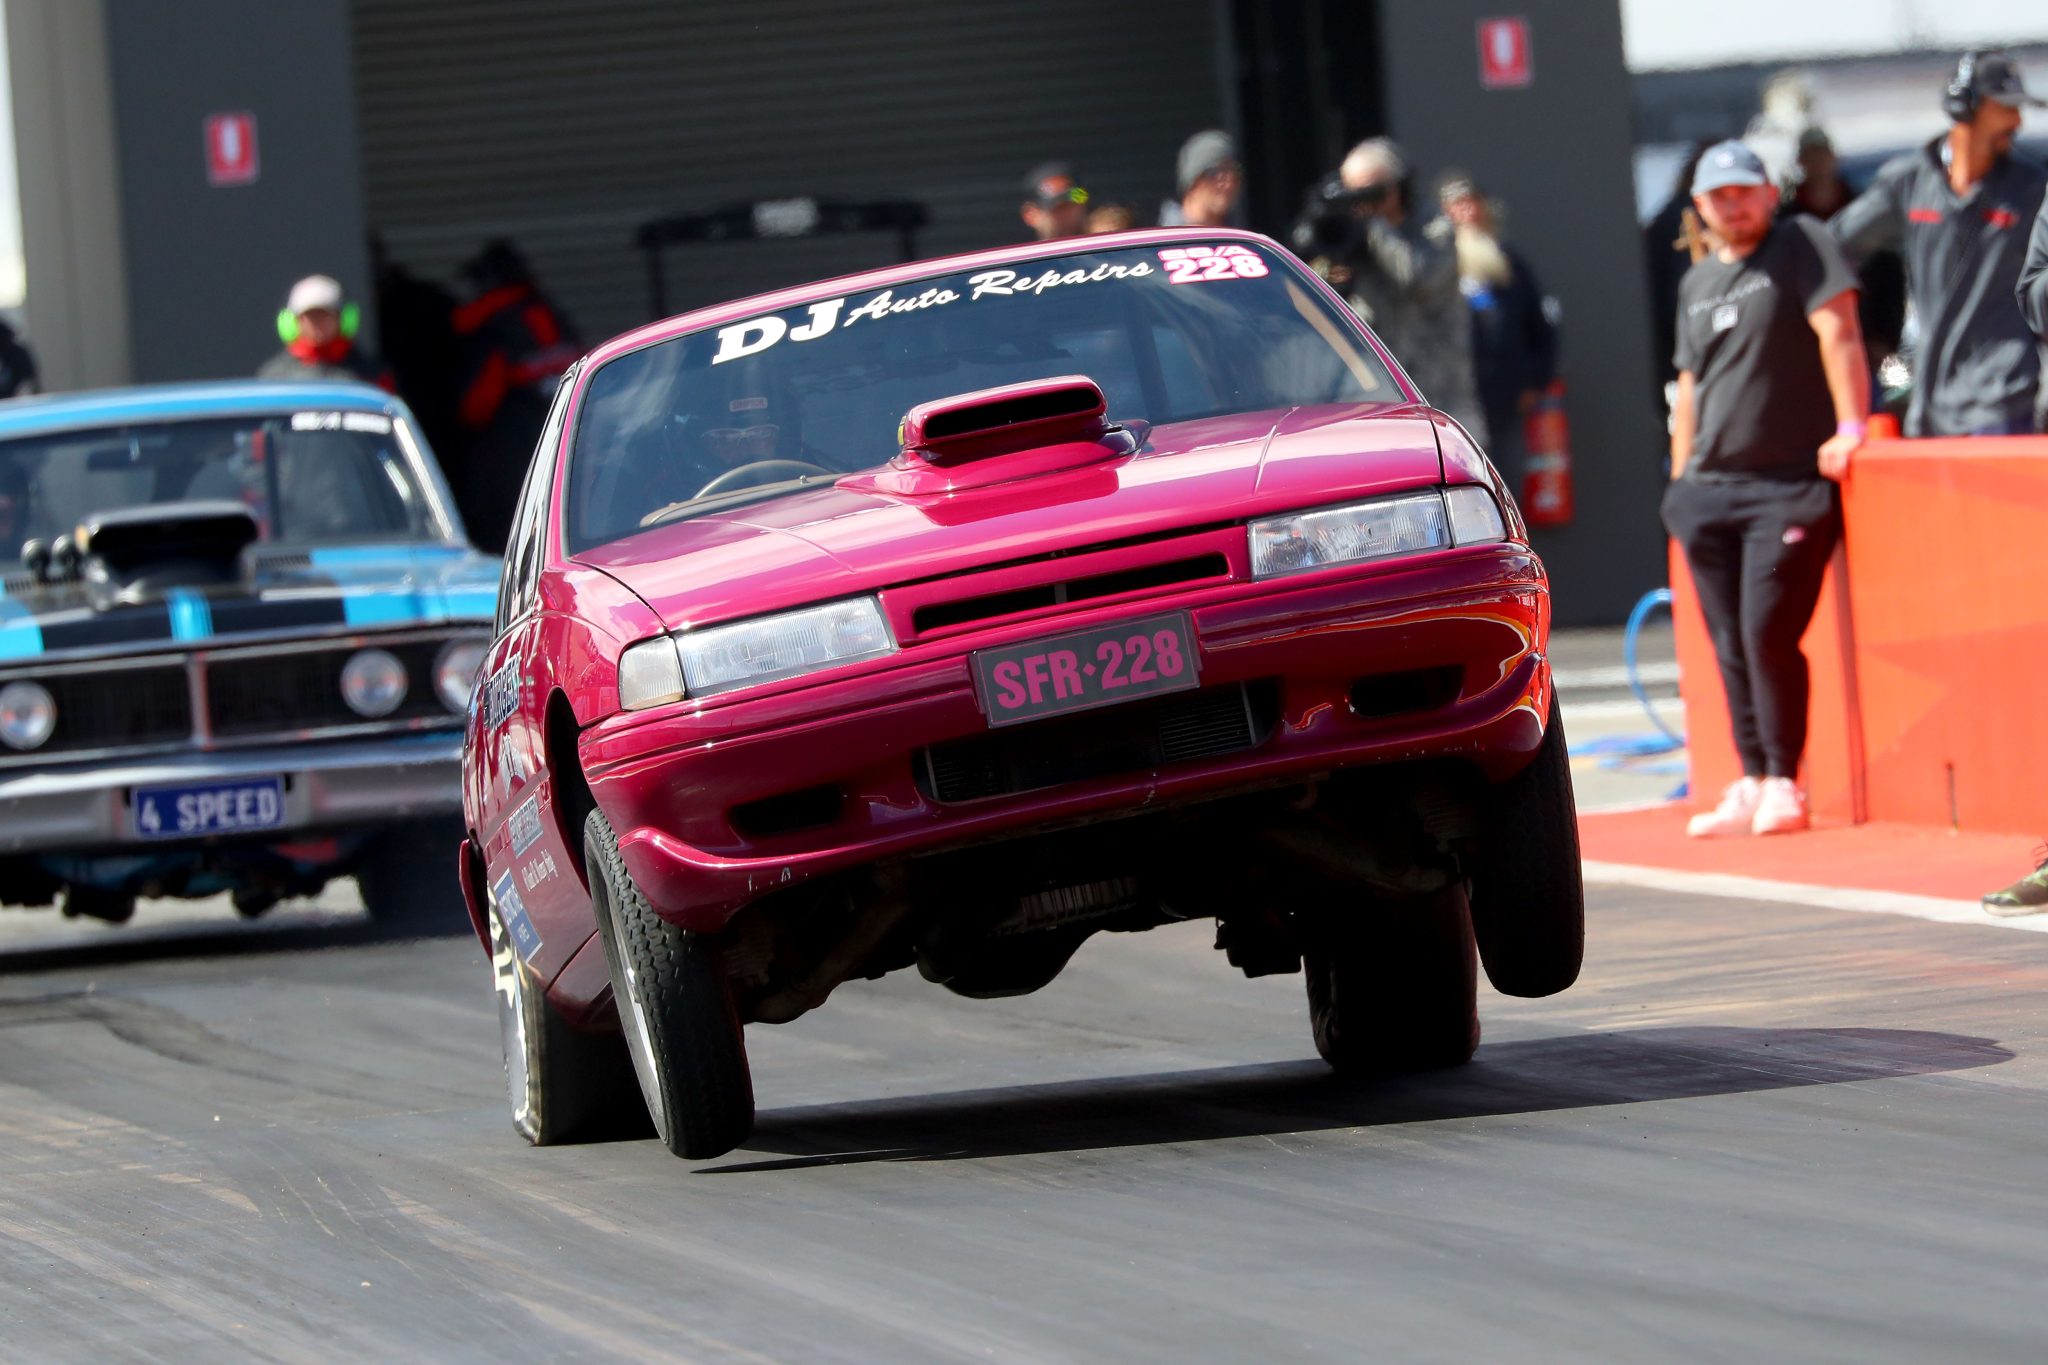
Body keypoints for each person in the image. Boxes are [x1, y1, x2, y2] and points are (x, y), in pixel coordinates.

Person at [1664, 141, 1870, 837]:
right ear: (1700, 206)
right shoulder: (1695, 283)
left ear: (1769, 193)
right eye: (1720, 195)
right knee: (1729, 639)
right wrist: (1679, 481)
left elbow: (1838, 330)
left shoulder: (1801, 243)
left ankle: (1786, 777)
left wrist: (1851, 424)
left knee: (1767, 630)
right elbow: (1689, 387)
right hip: (1709, 491)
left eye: (1745, 191)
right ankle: (1752, 775)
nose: (1734, 204)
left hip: (1786, 485)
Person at [1830, 50, 2047, 436]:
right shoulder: (1910, 182)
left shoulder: (2031, 190)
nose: (2016, 121)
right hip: (1931, 401)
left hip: (2004, 395)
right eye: (2006, 108)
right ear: (1965, 107)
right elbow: (1833, 247)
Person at [1296, 138, 1487, 443]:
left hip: (1441, 403)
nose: (1358, 204)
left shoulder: (1434, 228)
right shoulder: (1354, 234)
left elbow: (1418, 277)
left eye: (1368, 191)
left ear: (1396, 188)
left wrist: (1373, 225)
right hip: (1376, 404)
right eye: (1351, 192)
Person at [451, 239, 582, 550]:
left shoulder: (492, 327)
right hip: (566, 441)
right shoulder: (545, 313)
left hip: (512, 454)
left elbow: (476, 408)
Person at [1430, 174, 1556, 495]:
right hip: (1450, 398)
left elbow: (1539, 325)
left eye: (1472, 203)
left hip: (1504, 398)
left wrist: (1535, 382)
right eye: (1457, 205)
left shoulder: (1507, 261)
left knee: (1504, 483)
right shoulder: (1433, 266)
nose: (1467, 213)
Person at [257, 275, 393, 388]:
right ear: (293, 322)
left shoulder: (371, 373)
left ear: (343, 319)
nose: (317, 323)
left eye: (325, 315)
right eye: (310, 316)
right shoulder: (274, 376)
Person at [1158, 130, 1241, 228]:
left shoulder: (1240, 238)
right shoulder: (1165, 240)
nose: (1229, 182)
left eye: (1233, 172)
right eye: (1217, 173)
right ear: (1193, 183)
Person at [1020, 163, 1090, 241]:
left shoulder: (1103, 242)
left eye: (1070, 206)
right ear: (1030, 216)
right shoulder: (1018, 253)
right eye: (1058, 209)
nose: (1067, 215)